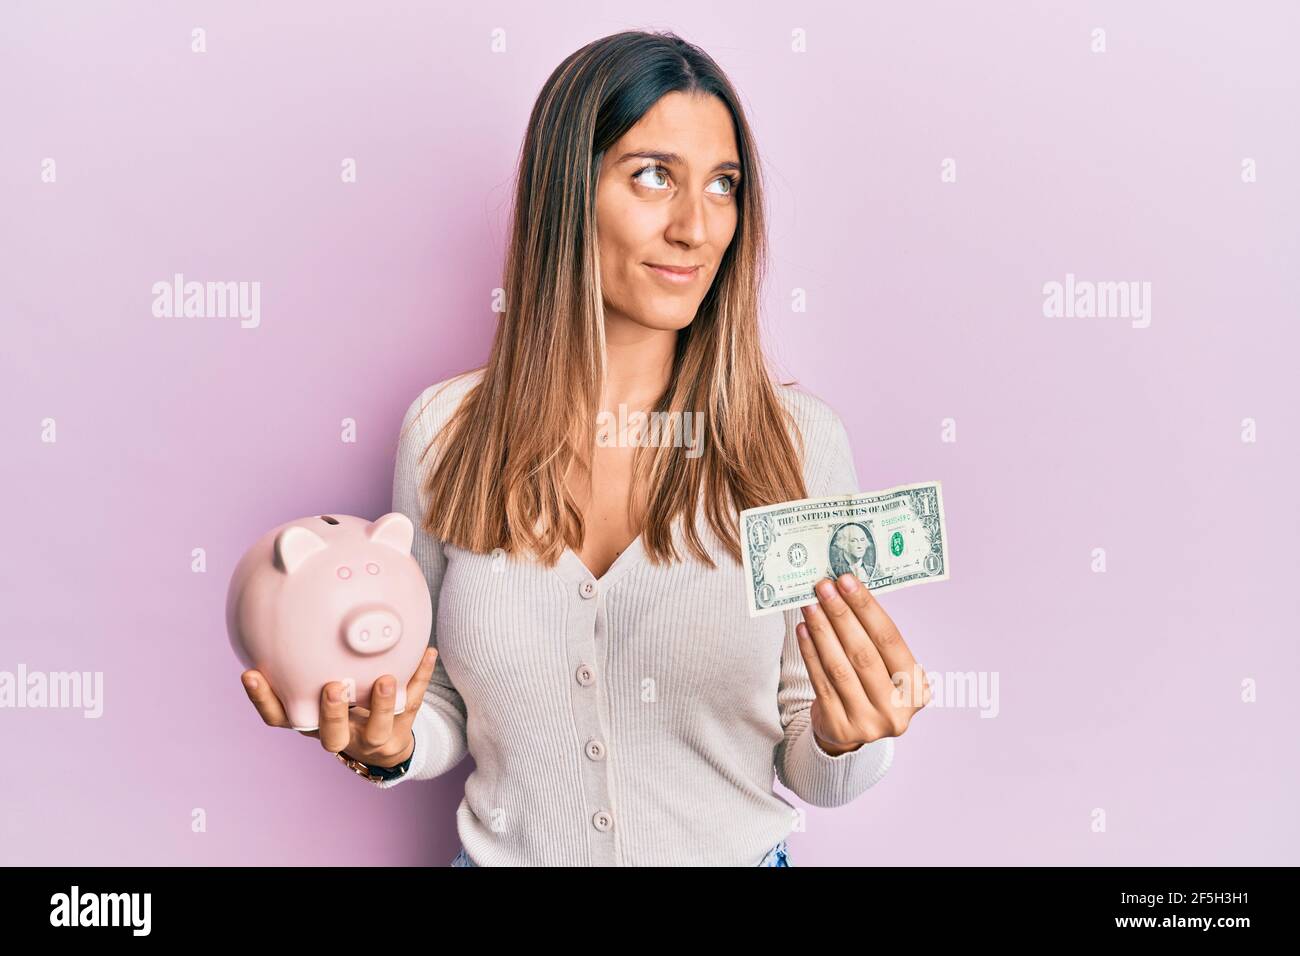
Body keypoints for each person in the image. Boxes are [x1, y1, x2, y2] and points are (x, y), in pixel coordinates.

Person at [241, 29, 931, 866]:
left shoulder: (795, 444)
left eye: (723, 185)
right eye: (653, 175)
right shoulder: (445, 432)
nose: (695, 226)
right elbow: (443, 701)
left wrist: (847, 735)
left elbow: (813, 760)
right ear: (567, 193)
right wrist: (381, 744)